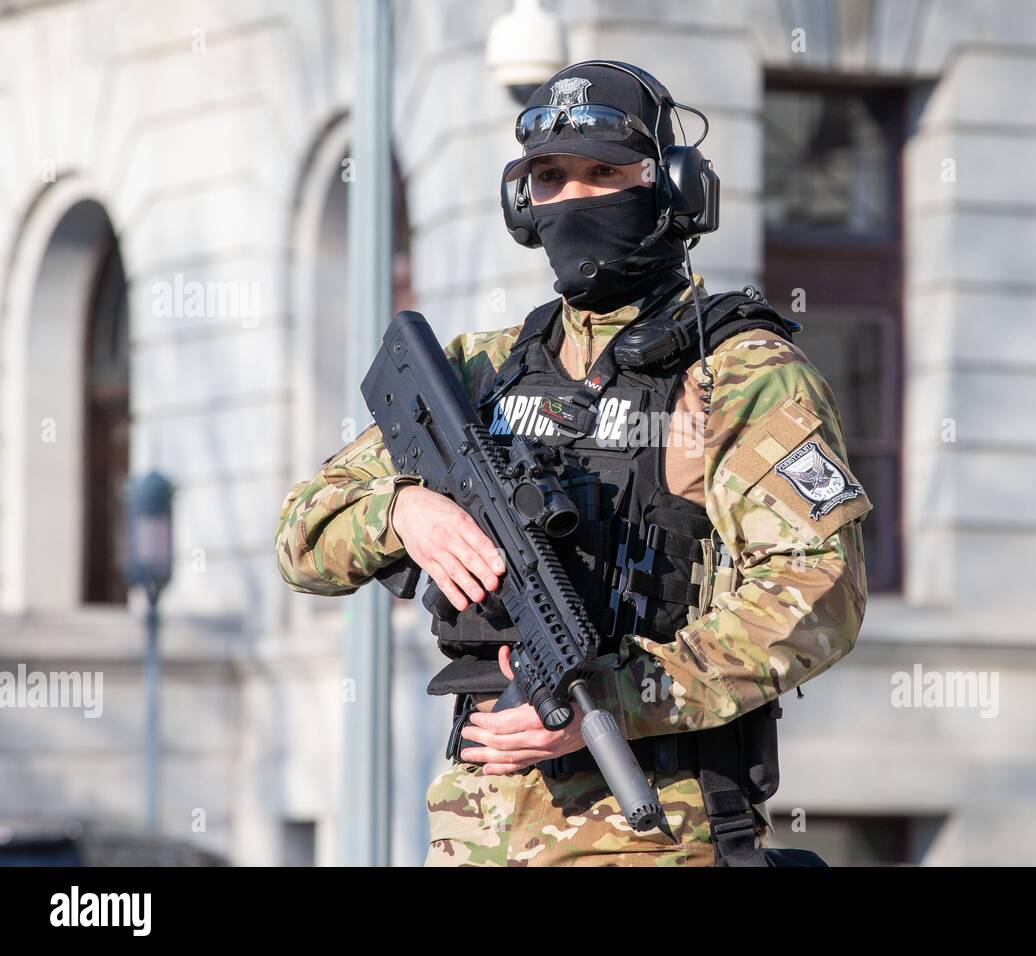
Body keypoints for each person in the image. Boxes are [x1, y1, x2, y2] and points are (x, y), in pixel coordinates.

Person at [275, 60, 870, 867]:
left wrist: (628, 697)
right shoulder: (478, 373)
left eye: (603, 174)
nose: (574, 199)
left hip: (654, 828)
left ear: (674, 190)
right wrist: (404, 513)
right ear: (523, 204)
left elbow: (816, 590)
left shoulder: (738, 374)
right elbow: (302, 537)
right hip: (472, 827)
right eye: (550, 178)